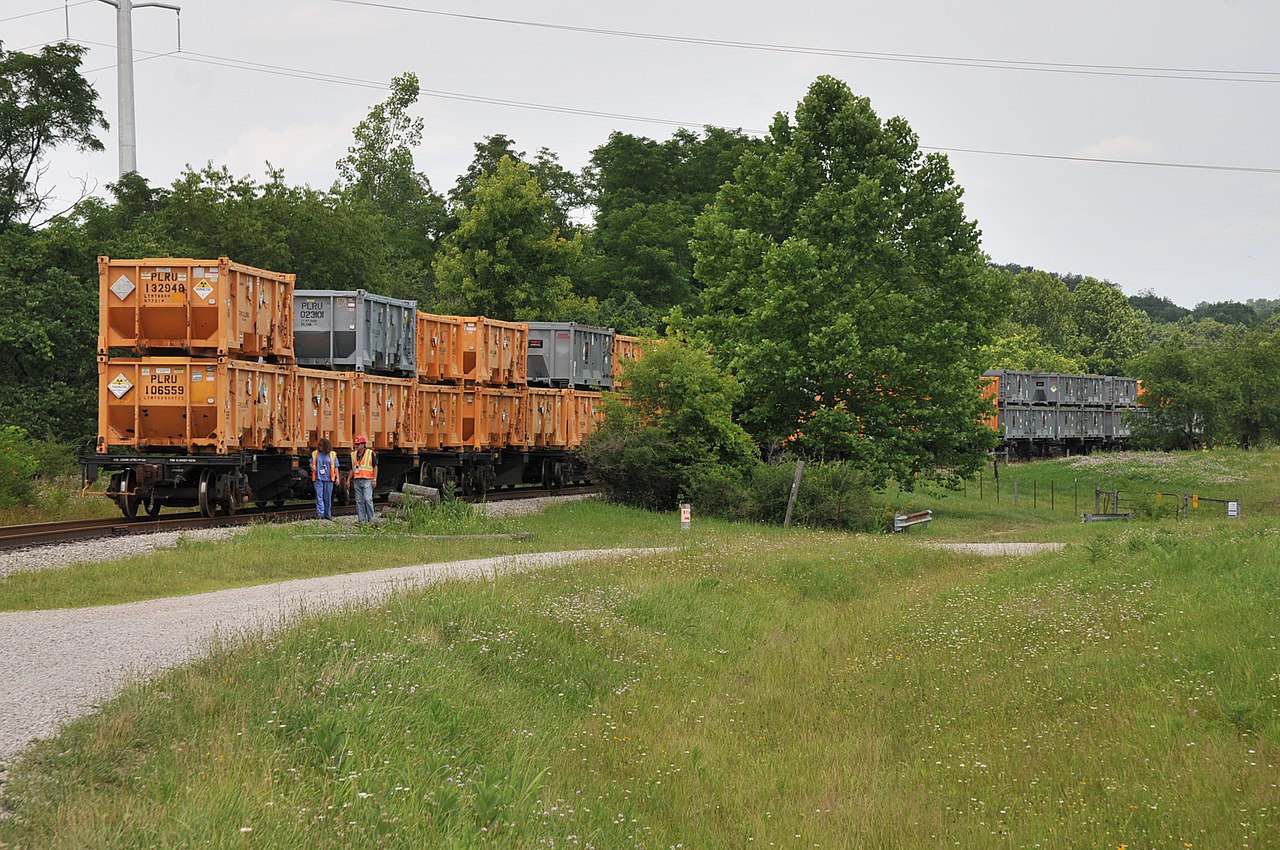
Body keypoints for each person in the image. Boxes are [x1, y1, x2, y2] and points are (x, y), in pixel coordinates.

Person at [351, 434, 377, 524]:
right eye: (355, 445)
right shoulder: (353, 454)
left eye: (358, 444)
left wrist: (374, 479)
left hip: (367, 479)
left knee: (367, 499)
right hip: (357, 479)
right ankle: (361, 521)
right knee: (359, 501)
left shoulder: (370, 453)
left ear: (363, 444)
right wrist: (348, 480)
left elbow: (375, 467)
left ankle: (372, 520)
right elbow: (352, 468)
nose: (356, 446)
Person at [311, 437, 339, 520]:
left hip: (329, 479)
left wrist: (337, 478)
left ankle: (328, 514)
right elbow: (311, 462)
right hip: (318, 478)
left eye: (321, 445)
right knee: (319, 495)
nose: (320, 447)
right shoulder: (315, 453)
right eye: (319, 445)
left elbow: (336, 467)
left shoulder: (333, 454)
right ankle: (320, 513)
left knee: (327, 497)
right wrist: (312, 467)